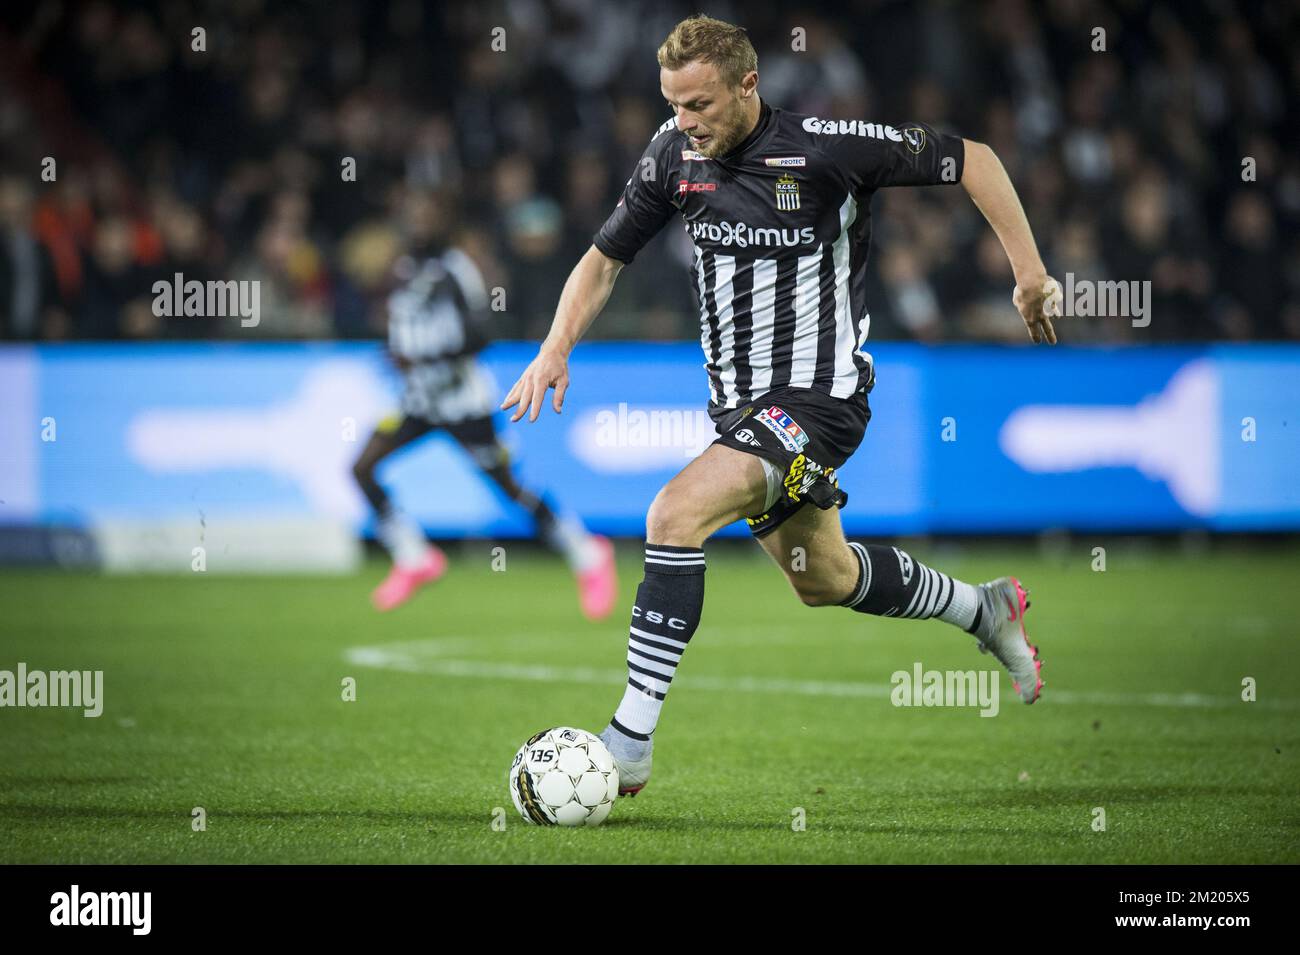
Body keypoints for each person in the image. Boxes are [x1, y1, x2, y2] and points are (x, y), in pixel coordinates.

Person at [501, 16, 1060, 795]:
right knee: (823, 576)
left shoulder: (827, 148)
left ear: (748, 85)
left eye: (699, 104)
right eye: (672, 104)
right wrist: (555, 346)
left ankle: (628, 741)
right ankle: (984, 609)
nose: (684, 121)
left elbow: (976, 159)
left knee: (673, 515)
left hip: (820, 400)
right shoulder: (671, 156)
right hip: (739, 413)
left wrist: (1028, 272)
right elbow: (604, 260)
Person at [353, 191, 617, 618]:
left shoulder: (456, 269)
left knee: (509, 487)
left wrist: (422, 357)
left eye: (427, 216)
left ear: (443, 221)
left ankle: (587, 552)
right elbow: (402, 321)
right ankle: (413, 556)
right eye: (413, 216)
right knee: (362, 467)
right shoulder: (402, 268)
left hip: (463, 404)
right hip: (418, 400)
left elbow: (481, 336)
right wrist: (397, 348)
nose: (418, 224)